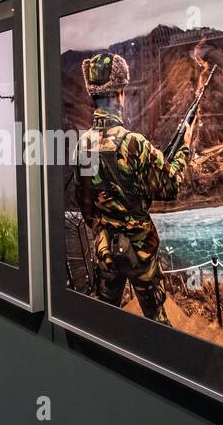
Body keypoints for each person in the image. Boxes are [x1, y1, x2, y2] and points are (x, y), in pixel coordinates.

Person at [75, 53, 194, 326]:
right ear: (119, 93)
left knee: (104, 319)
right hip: (141, 253)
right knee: (156, 321)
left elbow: (83, 204)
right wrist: (185, 146)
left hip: (105, 249)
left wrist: (105, 228)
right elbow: (170, 186)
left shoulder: (82, 145)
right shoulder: (134, 143)